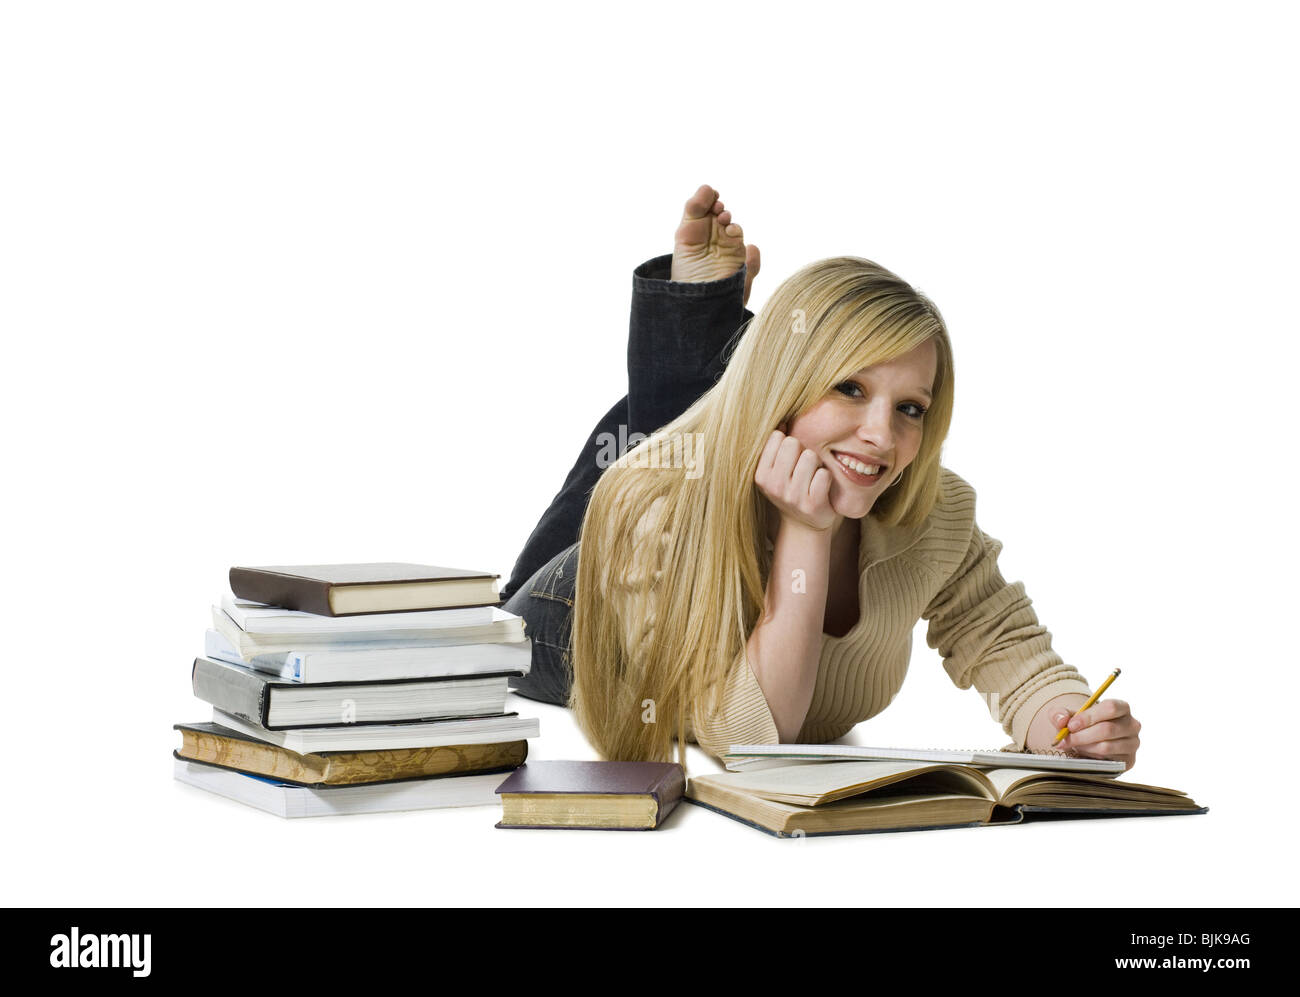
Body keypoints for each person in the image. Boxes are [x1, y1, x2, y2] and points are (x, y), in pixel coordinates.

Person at [500, 185, 1142, 772]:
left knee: (690, 428)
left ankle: (712, 345)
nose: (883, 436)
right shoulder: (657, 523)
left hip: (714, 445)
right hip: (587, 605)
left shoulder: (933, 509)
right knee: (498, 630)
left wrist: (1065, 719)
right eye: (850, 387)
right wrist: (807, 531)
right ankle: (706, 349)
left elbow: (1000, 636)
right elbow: (752, 741)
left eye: (910, 408)